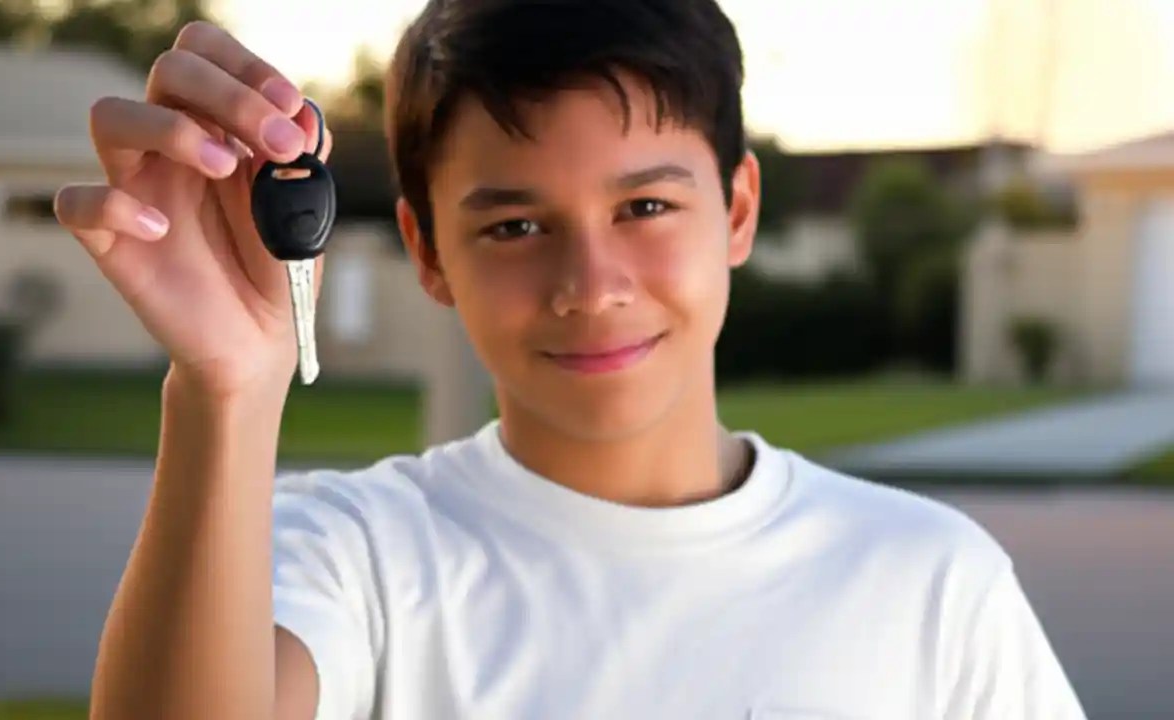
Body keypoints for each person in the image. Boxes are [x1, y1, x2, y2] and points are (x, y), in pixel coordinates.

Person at [55, 1, 1089, 718]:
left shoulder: (930, 582)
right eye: (514, 227)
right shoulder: (352, 558)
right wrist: (227, 387)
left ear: (736, 209)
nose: (590, 286)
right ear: (428, 251)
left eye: (645, 206)